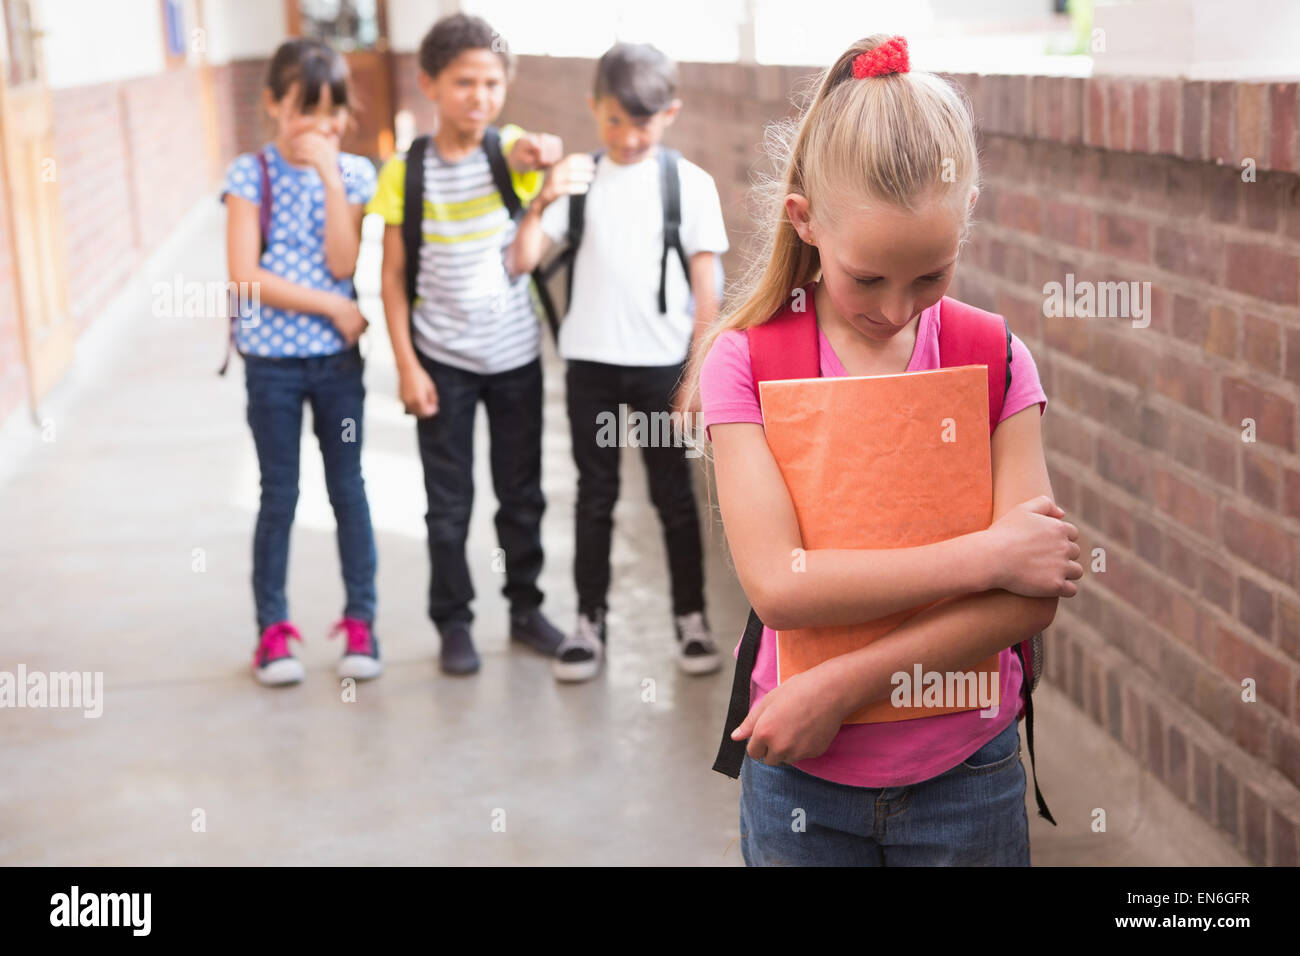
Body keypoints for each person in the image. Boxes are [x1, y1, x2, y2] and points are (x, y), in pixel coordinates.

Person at [685, 35, 1083, 865]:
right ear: (806, 221)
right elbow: (781, 586)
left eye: (930, 276)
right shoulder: (747, 362)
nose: (898, 310)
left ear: (967, 211)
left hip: (967, 774)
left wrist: (839, 684)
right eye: (867, 279)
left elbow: (1030, 597)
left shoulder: (995, 356)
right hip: (801, 778)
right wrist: (989, 553)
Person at [510, 43, 728, 682]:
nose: (628, 137)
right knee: (593, 495)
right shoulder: (578, 180)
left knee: (672, 498)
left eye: (642, 122)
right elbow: (521, 260)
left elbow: (707, 290)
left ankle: (691, 620)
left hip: (660, 368)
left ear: (670, 113)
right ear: (593, 110)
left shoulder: (687, 184)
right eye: (612, 122)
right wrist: (542, 197)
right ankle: (589, 622)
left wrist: (695, 377)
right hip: (590, 368)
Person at [368, 13, 568, 675]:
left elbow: (525, 150)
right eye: (463, 83)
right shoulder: (407, 171)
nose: (478, 96)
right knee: (448, 504)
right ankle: (453, 620)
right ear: (429, 83)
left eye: (491, 82)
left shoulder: (504, 150)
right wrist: (406, 365)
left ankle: (525, 608)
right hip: (442, 364)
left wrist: (539, 152)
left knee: (521, 496)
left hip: (515, 360)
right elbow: (392, 279)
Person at [222, 38, 380, 686]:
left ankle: (361, 620)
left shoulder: (355, 175)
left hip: (336, 368)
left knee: (348, 489)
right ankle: (272, 631)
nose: (317, 126)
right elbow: (243, 275)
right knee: (279, 494)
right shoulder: (248, 174)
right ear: (272, 105)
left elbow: (343, 262)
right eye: (302, 110)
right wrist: (333, 308)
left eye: (329, 111)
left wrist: (328, 176)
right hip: (273, 367)